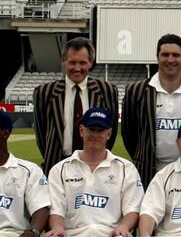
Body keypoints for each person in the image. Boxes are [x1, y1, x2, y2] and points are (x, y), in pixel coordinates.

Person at [121, 34, 181, 187]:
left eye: (176, 55)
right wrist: (143, 156)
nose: (170, 60)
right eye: (165, 55)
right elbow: (129, 134)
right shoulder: (135, 91)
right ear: (157, 57)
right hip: (148, 172)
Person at [42, 109, 143, 237]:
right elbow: (56, 210)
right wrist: (57, 227)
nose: (95, 134)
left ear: (109, 134)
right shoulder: (60, 169)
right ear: (82, 131)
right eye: (91, 129)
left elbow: (132, 209)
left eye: (100, 130)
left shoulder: (126, 168)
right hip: (71, 236)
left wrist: (124, 227)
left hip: (112, 235)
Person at [31, 36, 118, 173]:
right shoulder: (44, 92)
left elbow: (110, 133)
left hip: (95, 166)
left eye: (82, 63)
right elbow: (41, 135)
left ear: (90, 63)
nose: (77, 68)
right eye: (72, 62)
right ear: (64, 62)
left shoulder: (106, 91)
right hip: (57, 166)